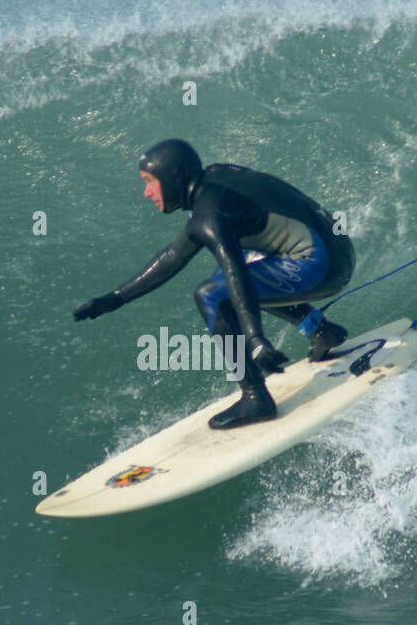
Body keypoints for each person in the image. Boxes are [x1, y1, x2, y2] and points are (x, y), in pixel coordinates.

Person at [73, 139, 355, 429]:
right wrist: (116, 297)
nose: (146, 192)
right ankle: (322, 332)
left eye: (149, 181)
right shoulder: (215, 181)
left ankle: (255, 397)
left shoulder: (209, 214)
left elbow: (237, 276)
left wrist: (254, 338)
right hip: (337, 247)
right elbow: (173, 256)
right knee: (225, 277)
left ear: (173, 178)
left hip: (322, 266)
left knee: (212, 295)